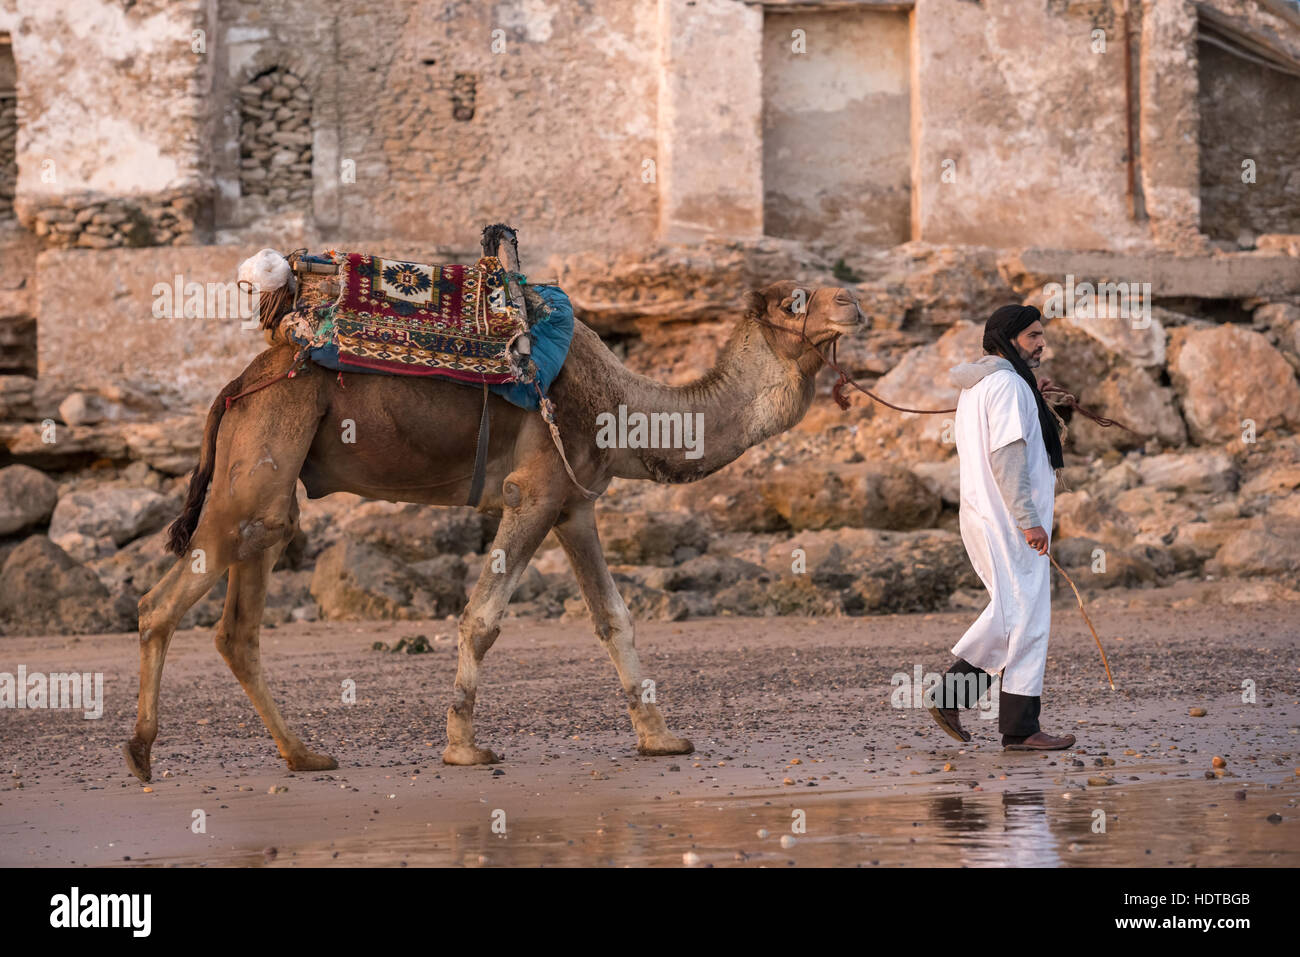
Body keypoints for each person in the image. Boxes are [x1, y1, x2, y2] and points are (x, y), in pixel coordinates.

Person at [927, 304, 1076, 751]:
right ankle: (962, 701)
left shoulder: (987, 383)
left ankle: (1017, 726)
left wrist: (1032, 390)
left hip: (986, 514)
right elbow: (1007, 456)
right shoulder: (1008, 384)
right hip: (1006, 519)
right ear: (1009, 338)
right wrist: (1029, 521)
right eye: (1032, 335)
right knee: (1018, 616)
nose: (1041, 343)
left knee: (1021, 615)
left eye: (1041, 334)